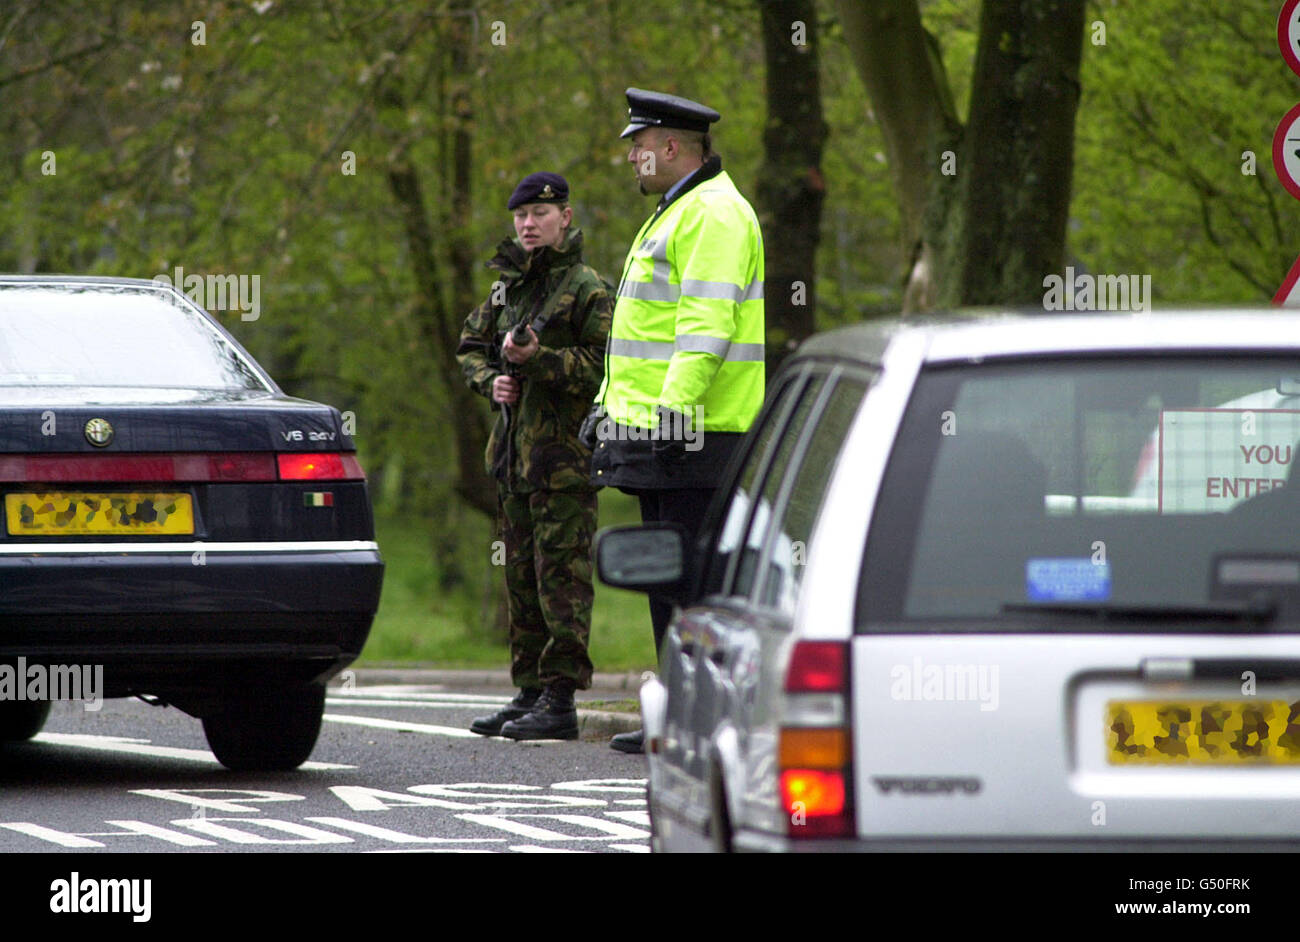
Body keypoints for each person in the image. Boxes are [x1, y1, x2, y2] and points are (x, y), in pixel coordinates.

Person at [589, 89, 765, 753]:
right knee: (667, 578)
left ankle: (700, 719)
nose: (631, 157)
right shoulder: (683, 209)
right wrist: (607, 407)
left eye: (638, 145)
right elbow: (647, 331)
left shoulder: (713, 213)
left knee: (690, 583)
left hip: (696, 433)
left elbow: (704, 327)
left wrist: (672, 413)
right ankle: (681, 712)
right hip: (667, 429)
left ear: (670, 146)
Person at [456, 171, 612, 741]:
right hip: (513, 462)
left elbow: (604, 368)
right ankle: (528, 692)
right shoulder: (507, 288)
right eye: (521, 216)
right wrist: (492, 380)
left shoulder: (588, 288)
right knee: (520, 581)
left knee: (561, 580)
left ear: (564, 217)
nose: (528, 224)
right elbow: (470, 347)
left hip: (564, 463)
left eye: (540, 214)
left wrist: (539, 358)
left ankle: (560, 698)